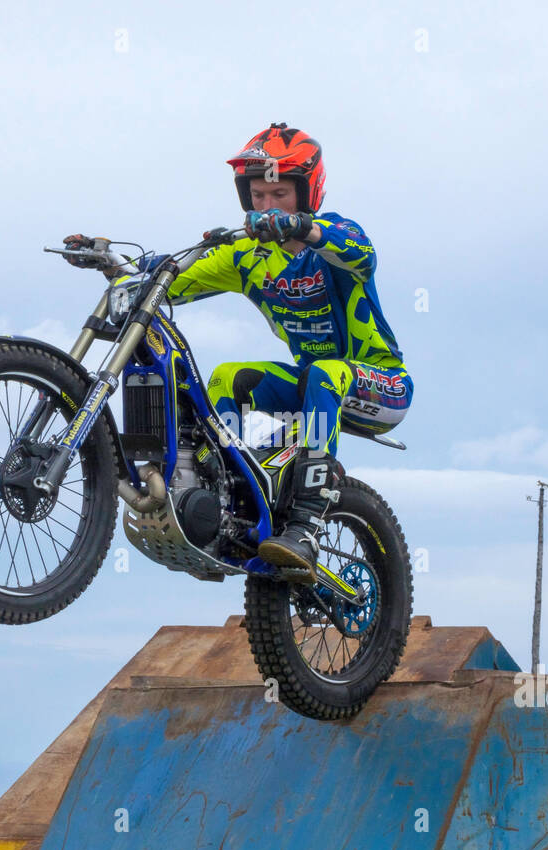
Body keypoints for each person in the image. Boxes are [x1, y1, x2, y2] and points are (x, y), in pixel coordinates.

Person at [66, 123, 413, 578]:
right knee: (227, 376)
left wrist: (301, 228)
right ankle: (225, 506)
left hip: (381, 384)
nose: (267, 206)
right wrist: (110, 260)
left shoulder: (337, 238)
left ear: (307, 193)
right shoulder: (246, 255)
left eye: (280, 195)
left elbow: (358, 251)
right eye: (259, 196)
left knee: (325, 373)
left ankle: (307, 525)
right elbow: (169, 280)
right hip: (307, 385)